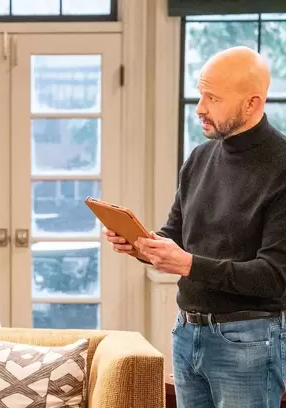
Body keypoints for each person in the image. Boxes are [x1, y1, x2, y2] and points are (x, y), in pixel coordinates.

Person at [105, 45, 286, 407]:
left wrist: (188, 264)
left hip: (249, 341)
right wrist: (141, 245)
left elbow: (274, 276)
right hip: (187, 333)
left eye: (212, 98)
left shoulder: (281, 166)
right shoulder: (200, 157)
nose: (200, 107)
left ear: (252, 103)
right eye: (201, 94)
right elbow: (174, 235)